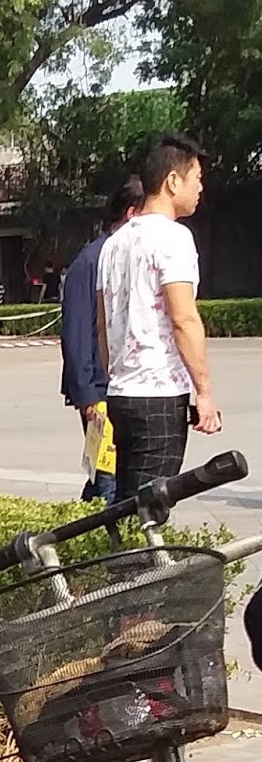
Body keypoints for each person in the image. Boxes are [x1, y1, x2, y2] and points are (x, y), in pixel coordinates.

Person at [97, 135, 221, 500]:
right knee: (150, 510)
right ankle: (130, 561)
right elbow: (184, 319)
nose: (201, 188)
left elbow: (102, 325)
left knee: (128, 501)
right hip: (159, 394)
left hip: (122, 393)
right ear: (172, 181)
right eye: (196, 178)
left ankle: (120, 557)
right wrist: (205, 392)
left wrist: (114, 375)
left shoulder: (113, 243)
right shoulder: (173, 238)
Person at [60, 177, 143, 502]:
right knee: (109, 481)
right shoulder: (91, 261)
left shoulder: (121, 257)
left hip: (123, 389)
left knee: (106, 478)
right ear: (132, 213)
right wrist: (89, 396)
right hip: (99, 394)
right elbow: (77, 332)